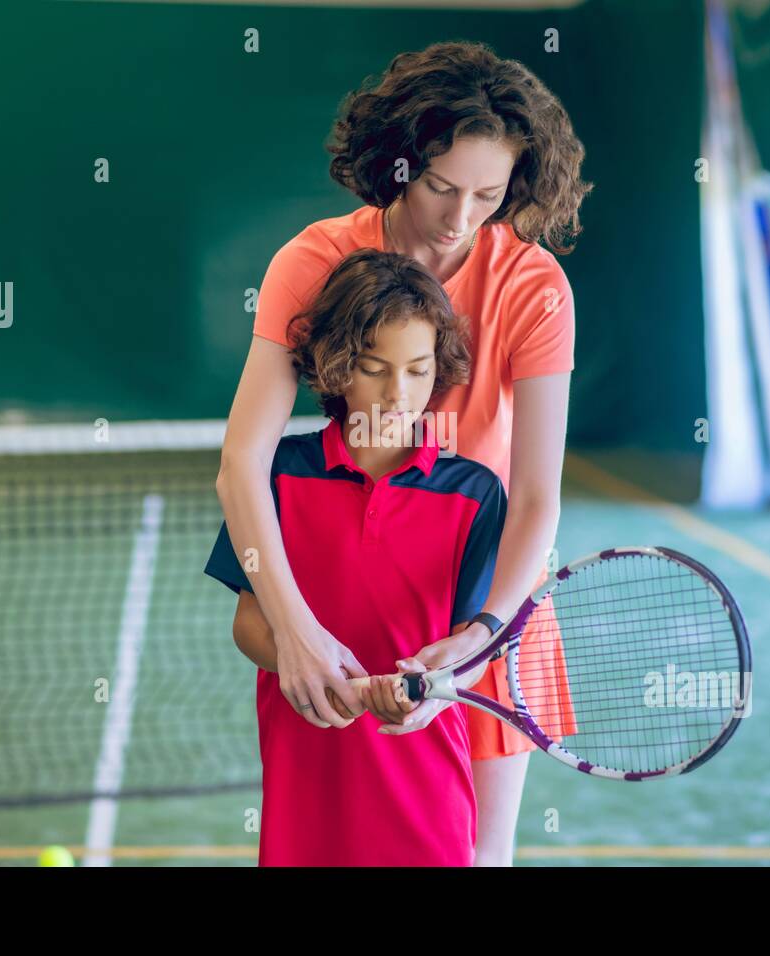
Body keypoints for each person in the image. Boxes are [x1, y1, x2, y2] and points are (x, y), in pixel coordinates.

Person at [215, 40, 591, 865]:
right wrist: (296, 629)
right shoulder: (313, 263)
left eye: (488, 195)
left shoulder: (535, 288)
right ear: (398, 163)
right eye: (440, 187)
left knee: (479, 857)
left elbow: (536, 499)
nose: (461, 218)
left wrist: (481, 632)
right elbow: (243, 462)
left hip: (485, 600)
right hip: (353, 610)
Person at [205, 249, 506, 866]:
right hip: (306, 781)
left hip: (426, 792)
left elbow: (473, 650)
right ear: (338, 365)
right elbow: (249, 626)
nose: (399, 394)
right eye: (374, 368)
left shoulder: (476, 494)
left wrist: (427, 685)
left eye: (419, 371)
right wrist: (324, 676)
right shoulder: (276, 476)